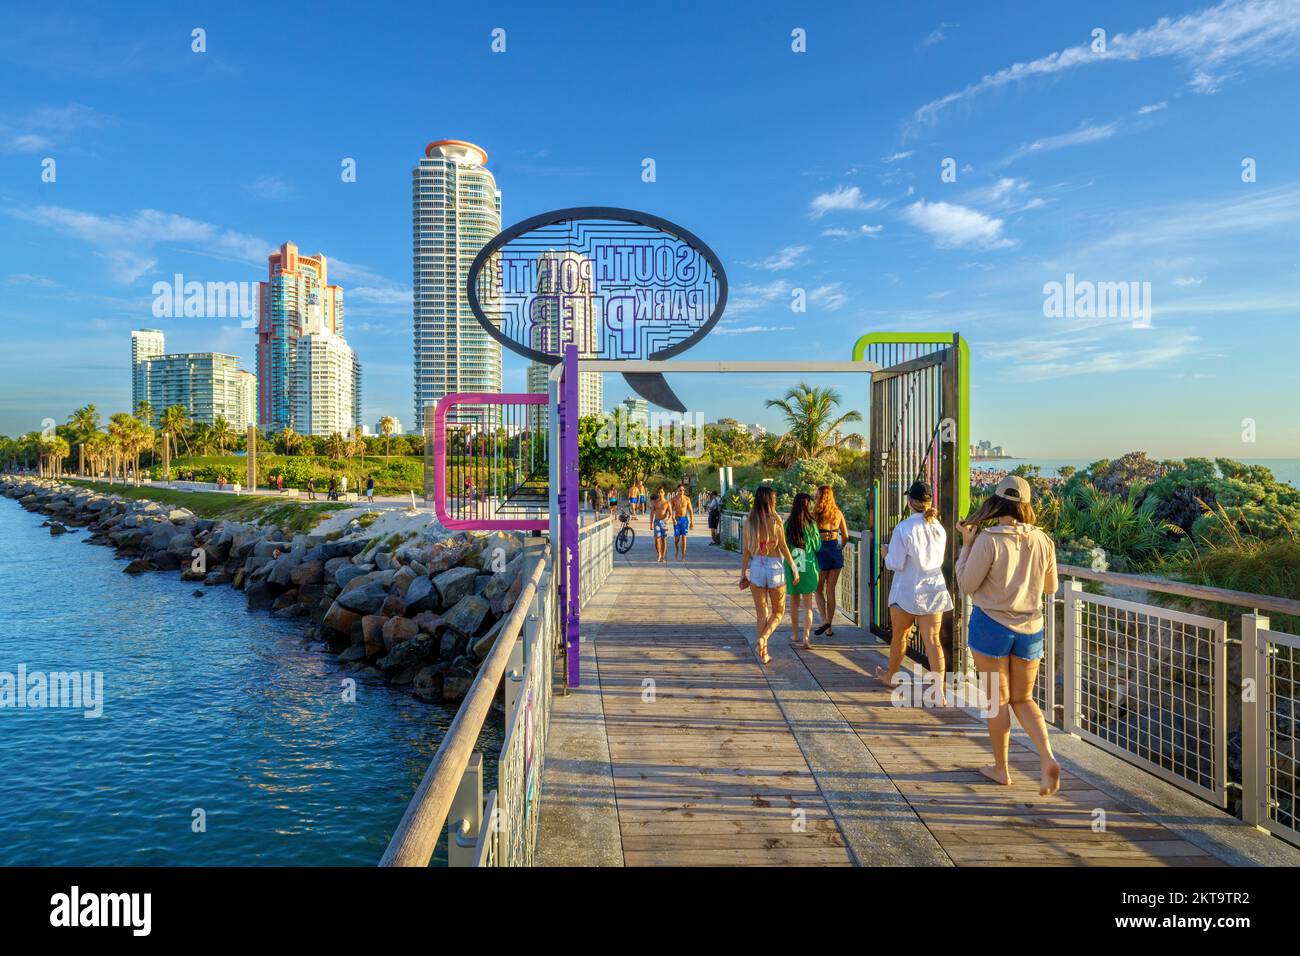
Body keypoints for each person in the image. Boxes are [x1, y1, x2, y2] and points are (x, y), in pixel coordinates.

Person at [956, 475, 1061, 796]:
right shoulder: (1043, 539)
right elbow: (1050, 588)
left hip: (991, 626)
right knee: (1023, 699)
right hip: (1031, 629)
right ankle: (1047, 759)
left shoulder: (988, 539)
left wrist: (967, 546)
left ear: (998, 502)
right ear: (1026, 505)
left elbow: (966, 584)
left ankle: (1001, 769)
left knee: (995, 701)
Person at [875, 481, 954, 701]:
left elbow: (896, 563)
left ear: (910, 501)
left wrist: (885, 554)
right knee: (933, 640)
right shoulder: (938, 527)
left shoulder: (904, 528)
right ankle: (939, 691)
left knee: (900, 636)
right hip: (933, 590)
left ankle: (892, 676)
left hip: (907, 591)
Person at [739, 486, 798, 665]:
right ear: (770, 501)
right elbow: (783, 547)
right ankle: (764, 638)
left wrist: (743, 573)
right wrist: (793, 567)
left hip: (757, 565)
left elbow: (747, 552)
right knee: (778, 612)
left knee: (761, 615)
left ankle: (763, 654)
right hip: (774, 568)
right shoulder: (775, 520)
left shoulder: (749, 522)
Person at [783, 492, 821, 649]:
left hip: (793, 566)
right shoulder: (811, 525)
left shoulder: (787, 524)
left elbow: (783, 546)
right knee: (808, 605)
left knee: (794, 602)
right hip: (808, 564)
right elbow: (818, 546)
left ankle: (796, 634)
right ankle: (806, 637)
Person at [812, 485, 849, 638]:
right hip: (835, 551)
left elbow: (810, 536)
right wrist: (840, 547)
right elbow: (846, 536)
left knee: (818, 589)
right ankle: (829, 627)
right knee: (830, 590)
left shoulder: (815, 514)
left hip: (821, 552)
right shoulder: (838, 513)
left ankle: (824, 621)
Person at [649, 487, 672, 563]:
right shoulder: (655, 502)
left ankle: (663, 556)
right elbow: (652, 513)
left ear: (664, 493)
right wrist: (651, 524)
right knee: (657, 538)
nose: (660, 493)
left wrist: (668, 520)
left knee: (663, 540)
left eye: (661, 492)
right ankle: (659, 554)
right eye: (659, 492)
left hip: (664, 522)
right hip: (657, 522)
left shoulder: (667, 503)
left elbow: (671, 514)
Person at [670, 484, 693, 561]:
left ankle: (683, 555)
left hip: (684, 519)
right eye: (680, 490)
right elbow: (671, 510)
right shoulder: (674, 499)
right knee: (677, 539)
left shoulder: (687, 499)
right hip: (677, 519)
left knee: (684, 538)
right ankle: (677, 551)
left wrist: (692, 522)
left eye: (683, 490)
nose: (682, 491)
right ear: (677, 490)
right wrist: (673, 518)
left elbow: (690, 511)